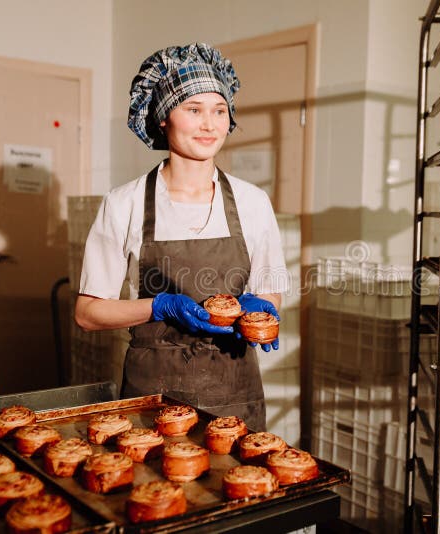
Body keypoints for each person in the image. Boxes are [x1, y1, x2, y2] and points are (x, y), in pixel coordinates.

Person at [74, 43, 288, 432]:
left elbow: (270, 293)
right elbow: (87, 313)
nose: (209, 125)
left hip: (234, 397)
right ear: (162, 119)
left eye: (219, 111)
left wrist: (261, 307)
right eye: (193, 110)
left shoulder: (253, 203)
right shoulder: (125, 203)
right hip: (153, 398)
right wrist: (158, 307)